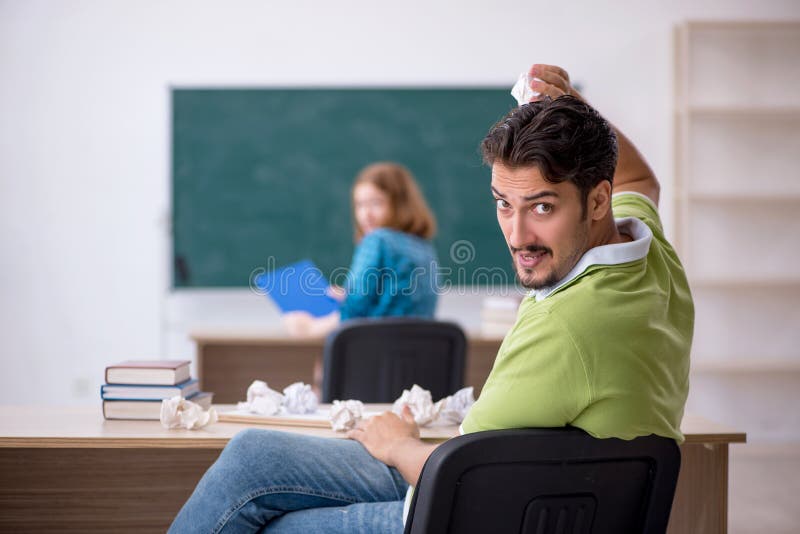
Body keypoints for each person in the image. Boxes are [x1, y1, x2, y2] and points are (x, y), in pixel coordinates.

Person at [169, 64, 693, 533]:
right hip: (547, 489)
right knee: (252, 455)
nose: (516, 235)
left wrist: (396, 444)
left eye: (541, 207)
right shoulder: (646, 249)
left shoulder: (565, 324)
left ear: (597, 200)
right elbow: (640, 178)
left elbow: (464, 480)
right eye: (503, 204)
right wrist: (577, 110)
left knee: (272, 509)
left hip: (477, 509)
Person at [282, 162, 439, 338]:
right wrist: (349, 295)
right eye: (360, 205)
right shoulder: (424, 248)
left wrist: (309, 328)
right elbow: (393, 304)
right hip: (416, 355)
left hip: (375, 353)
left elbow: (353, 313)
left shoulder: (378, 240)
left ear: (400, 204)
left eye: (376, 203)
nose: (366, 214)